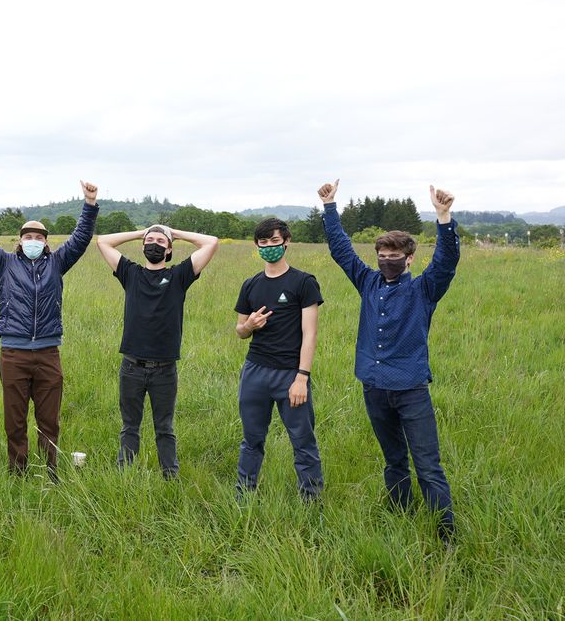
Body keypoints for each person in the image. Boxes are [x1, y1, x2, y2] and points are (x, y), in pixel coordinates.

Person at [319, 180, 459, 540]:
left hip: (411, 389)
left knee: (427, 466)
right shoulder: (367, 282)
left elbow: (446, 262)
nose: (387, 259)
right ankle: (399, 514)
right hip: (374, 387)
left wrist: (444, 218)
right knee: (394, 460)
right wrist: (330, 206)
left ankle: (445, 533)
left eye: (394, 255)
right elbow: (341, 251)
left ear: (410, 258)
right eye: (382, 254)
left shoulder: (423, 288)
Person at [0, 180, 99, 479]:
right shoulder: (4, 263)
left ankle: (50, 470)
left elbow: (80, 238)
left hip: (48, 353)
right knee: (14, 420)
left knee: (49, 419)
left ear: (45, 242)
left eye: (38, 237)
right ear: (19, 240)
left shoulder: (57, 263)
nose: (33, 241)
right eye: (28, 236)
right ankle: (18, 472)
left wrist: (89, 204)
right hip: (13, 353)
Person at [95, 224, 219, 478]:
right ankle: (125, 475)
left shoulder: (179, 276)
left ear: (169, 249)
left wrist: (173, 232)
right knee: (130, 426)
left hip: (164, 369)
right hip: (131, 367)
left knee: (164, 427)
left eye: (160, 241)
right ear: (142, 245)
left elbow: (211, 242)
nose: (154, 244)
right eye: (149, 240)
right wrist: (141, 233)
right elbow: (103, 242)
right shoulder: (131, 273)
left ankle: (169, 477)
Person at [233, 218, 324, 500]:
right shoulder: (250, 285)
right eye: (264, 242)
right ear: (257, 245)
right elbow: (240, 331)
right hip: (255, 372)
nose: (270, 247)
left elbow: (309, 334)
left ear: (287, 241)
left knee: (303, 440)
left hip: (290, 375)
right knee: (252, 439)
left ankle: (311, 500)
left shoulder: (304, 282)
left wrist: (302, 377)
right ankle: (243, 496)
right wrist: (250, 326)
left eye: (275, 241)